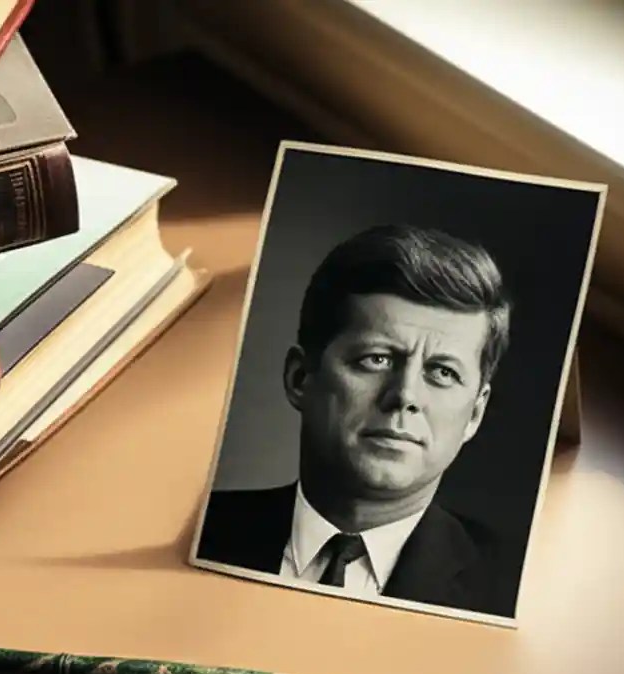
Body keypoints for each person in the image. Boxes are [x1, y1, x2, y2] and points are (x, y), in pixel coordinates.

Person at [197, 224, 512, 616]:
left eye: (443, 372)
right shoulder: (195, 531)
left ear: (475, 413)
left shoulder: (512, 587)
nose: (405, 396)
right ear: (300, 378)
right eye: (375, 359)